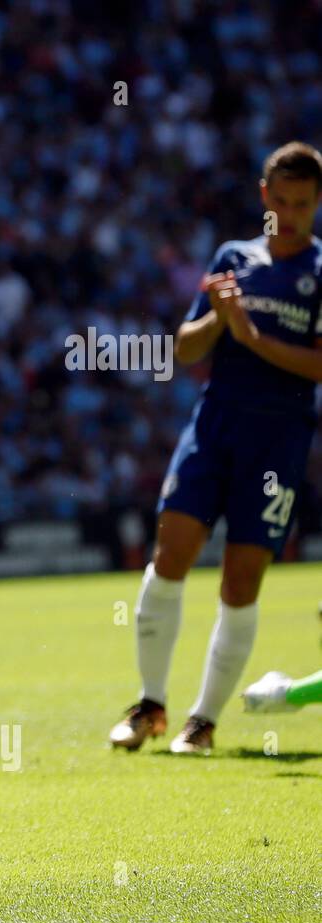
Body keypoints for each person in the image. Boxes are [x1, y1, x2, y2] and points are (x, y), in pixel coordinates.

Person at [110, 142, 322, 754]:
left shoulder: (319, 273)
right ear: (264, 195)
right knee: (170, 552)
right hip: (215, 426)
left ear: (316, 205)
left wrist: (251, 336)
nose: (288, 214)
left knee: (240, 580)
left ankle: (202, 722)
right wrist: (219, 322)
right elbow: (184, 348)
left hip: (278, 439)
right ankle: (150, 705)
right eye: (279, 201)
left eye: (301, 205)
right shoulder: (234, 258)